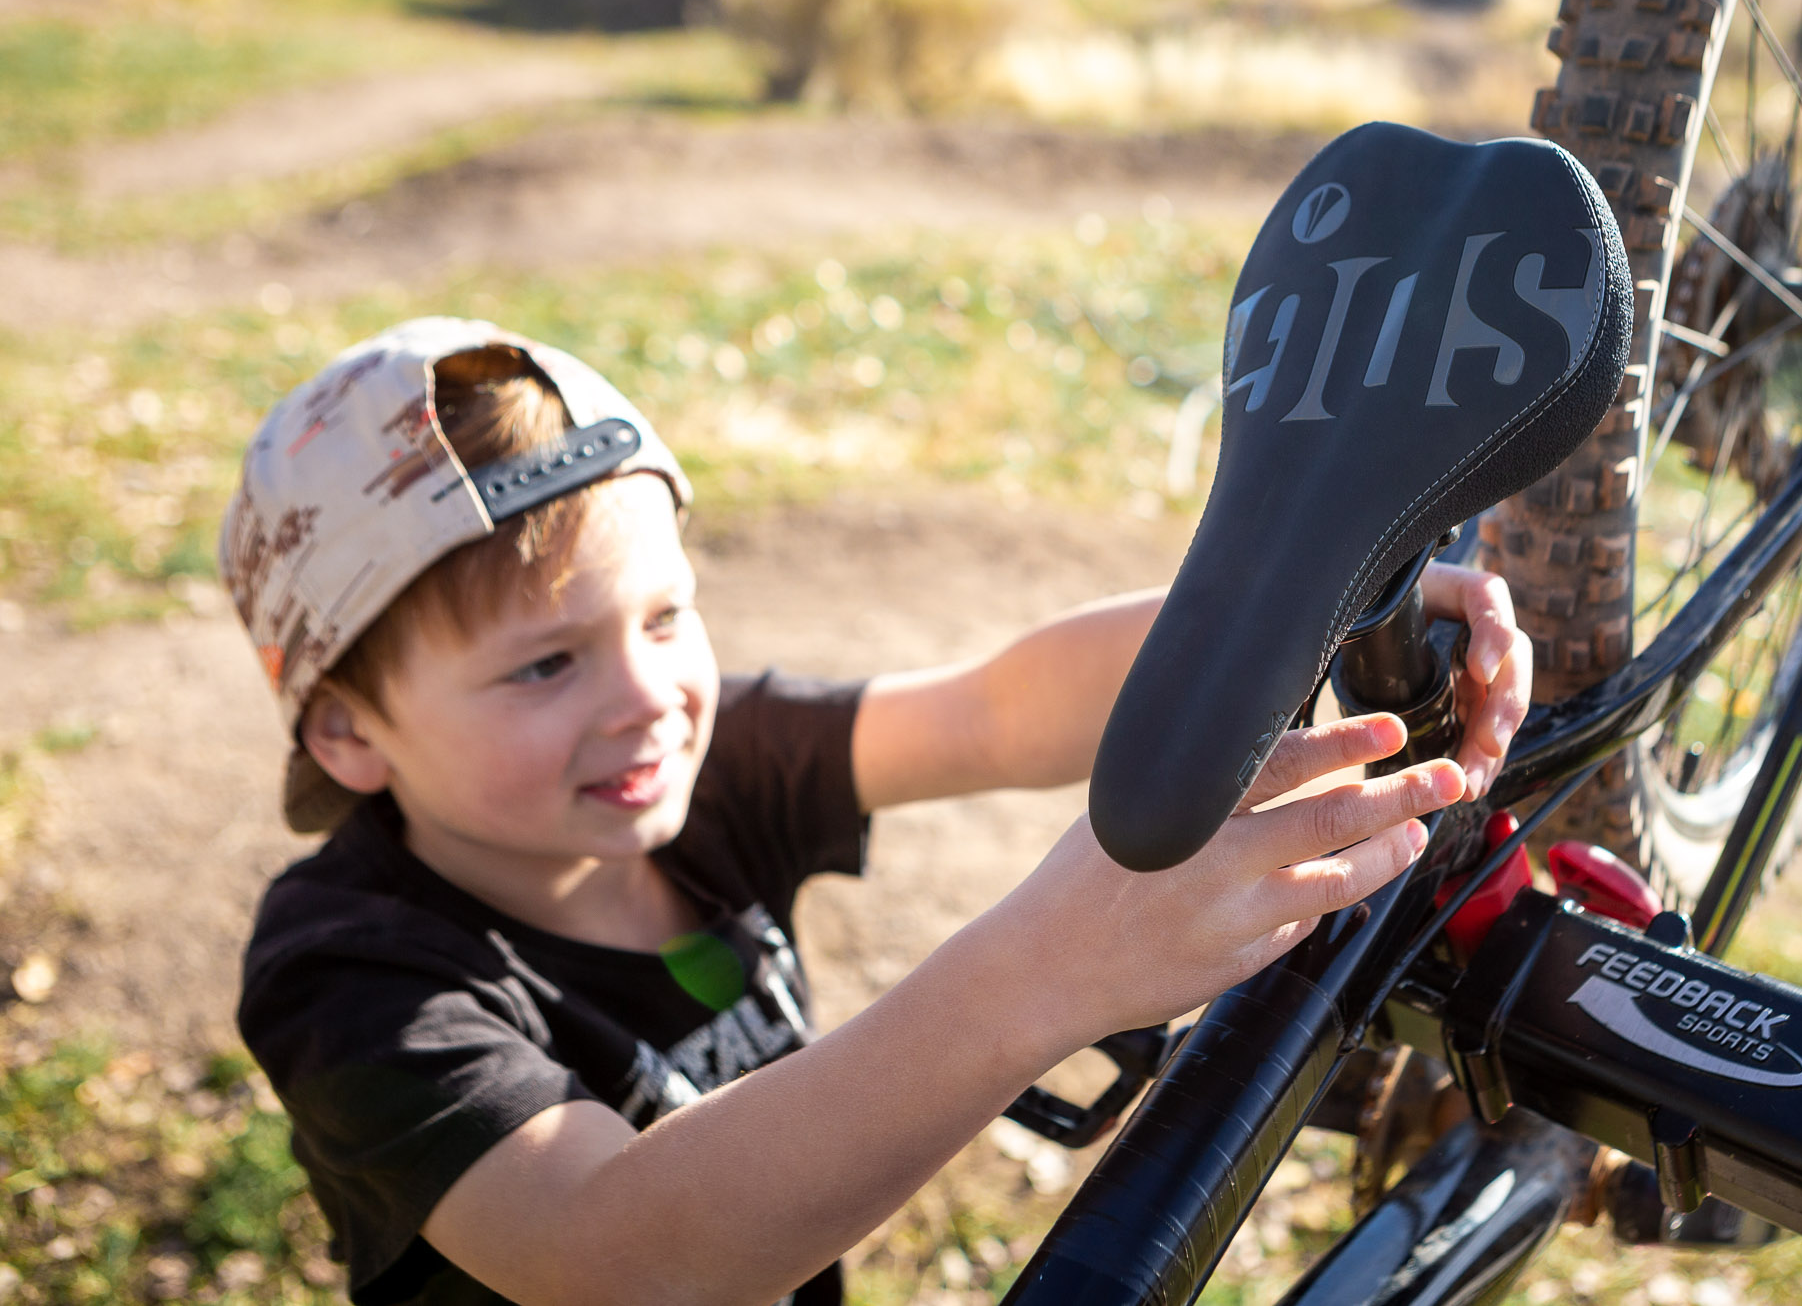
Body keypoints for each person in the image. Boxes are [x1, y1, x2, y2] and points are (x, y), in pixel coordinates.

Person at [224, 316, 1531, 1306]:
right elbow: (610, 1257)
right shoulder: (350, 974)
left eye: (664, 617)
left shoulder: (710, 767)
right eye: (544, 665)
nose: (647, 698)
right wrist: (1048, 972)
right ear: (348, 730)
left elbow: (992, 710)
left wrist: (1293, 616)